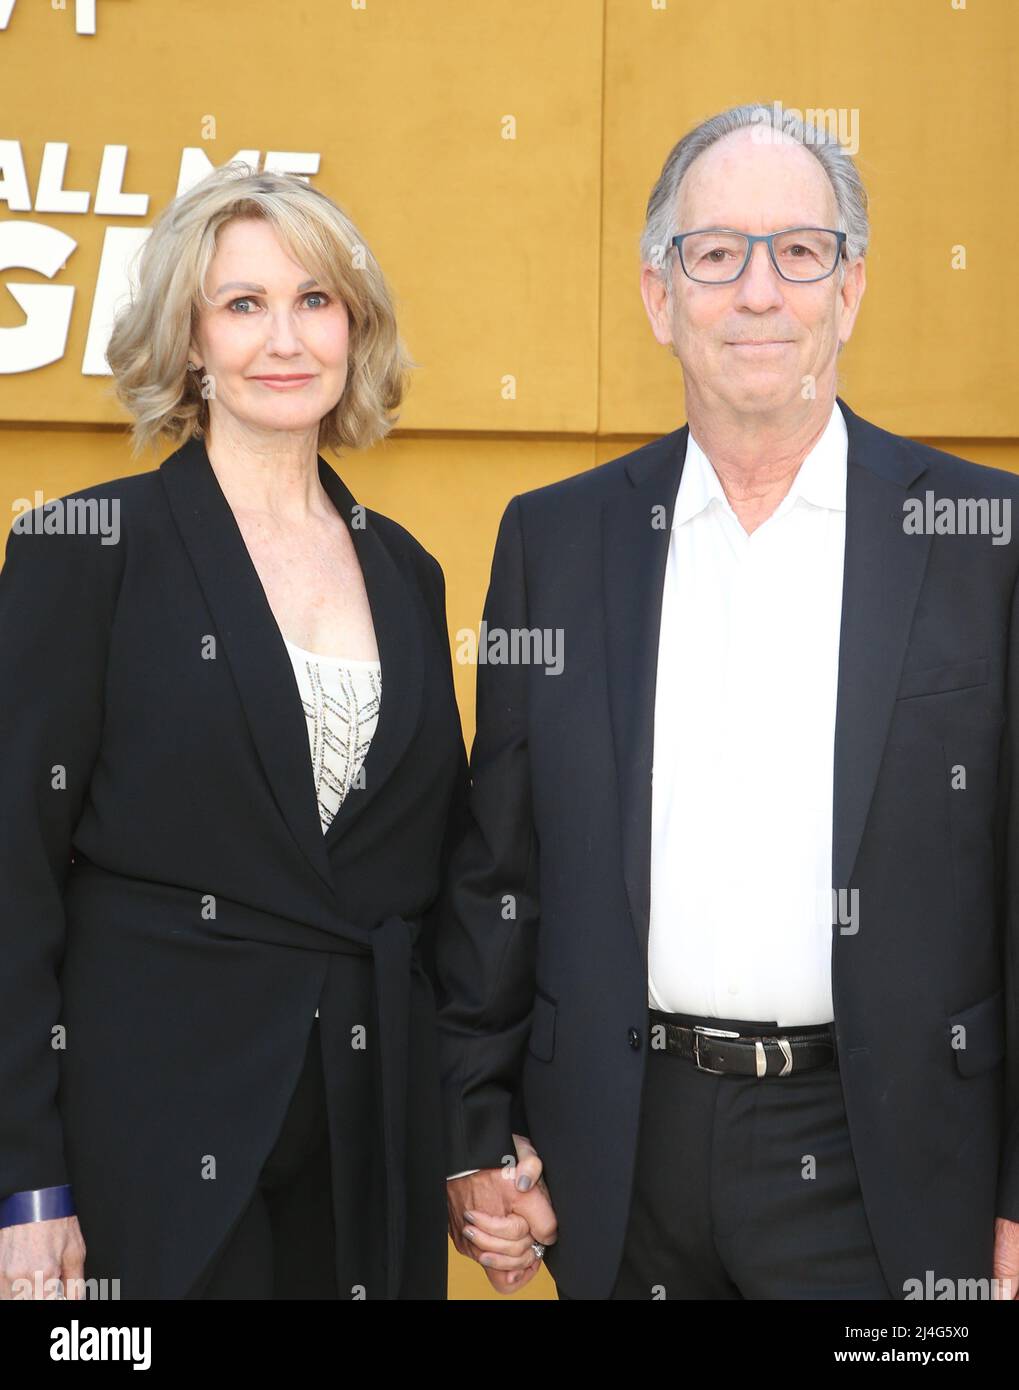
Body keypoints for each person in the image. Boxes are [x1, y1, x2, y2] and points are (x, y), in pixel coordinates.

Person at [438, 102, 1019, 1300]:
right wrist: (473, 1130)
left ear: (848, 289)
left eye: (797, 251)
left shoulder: (981, 540)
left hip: (895, 1168)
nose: (757, 291)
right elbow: (499, 867)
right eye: (714, 254)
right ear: (660, 296)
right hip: (626, 1156)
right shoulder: (555, 541)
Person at [0, 163, 468, 1300]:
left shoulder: (404, 569)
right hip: (150, 1142)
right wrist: (26, 1189)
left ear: (355, 330)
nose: (283, 336)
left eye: (315, 300)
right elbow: (12, 877)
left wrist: (470, 1127)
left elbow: (443, 875)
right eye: (242, 304)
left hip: (366, 1142)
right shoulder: (90, 546)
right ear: (191, 339)